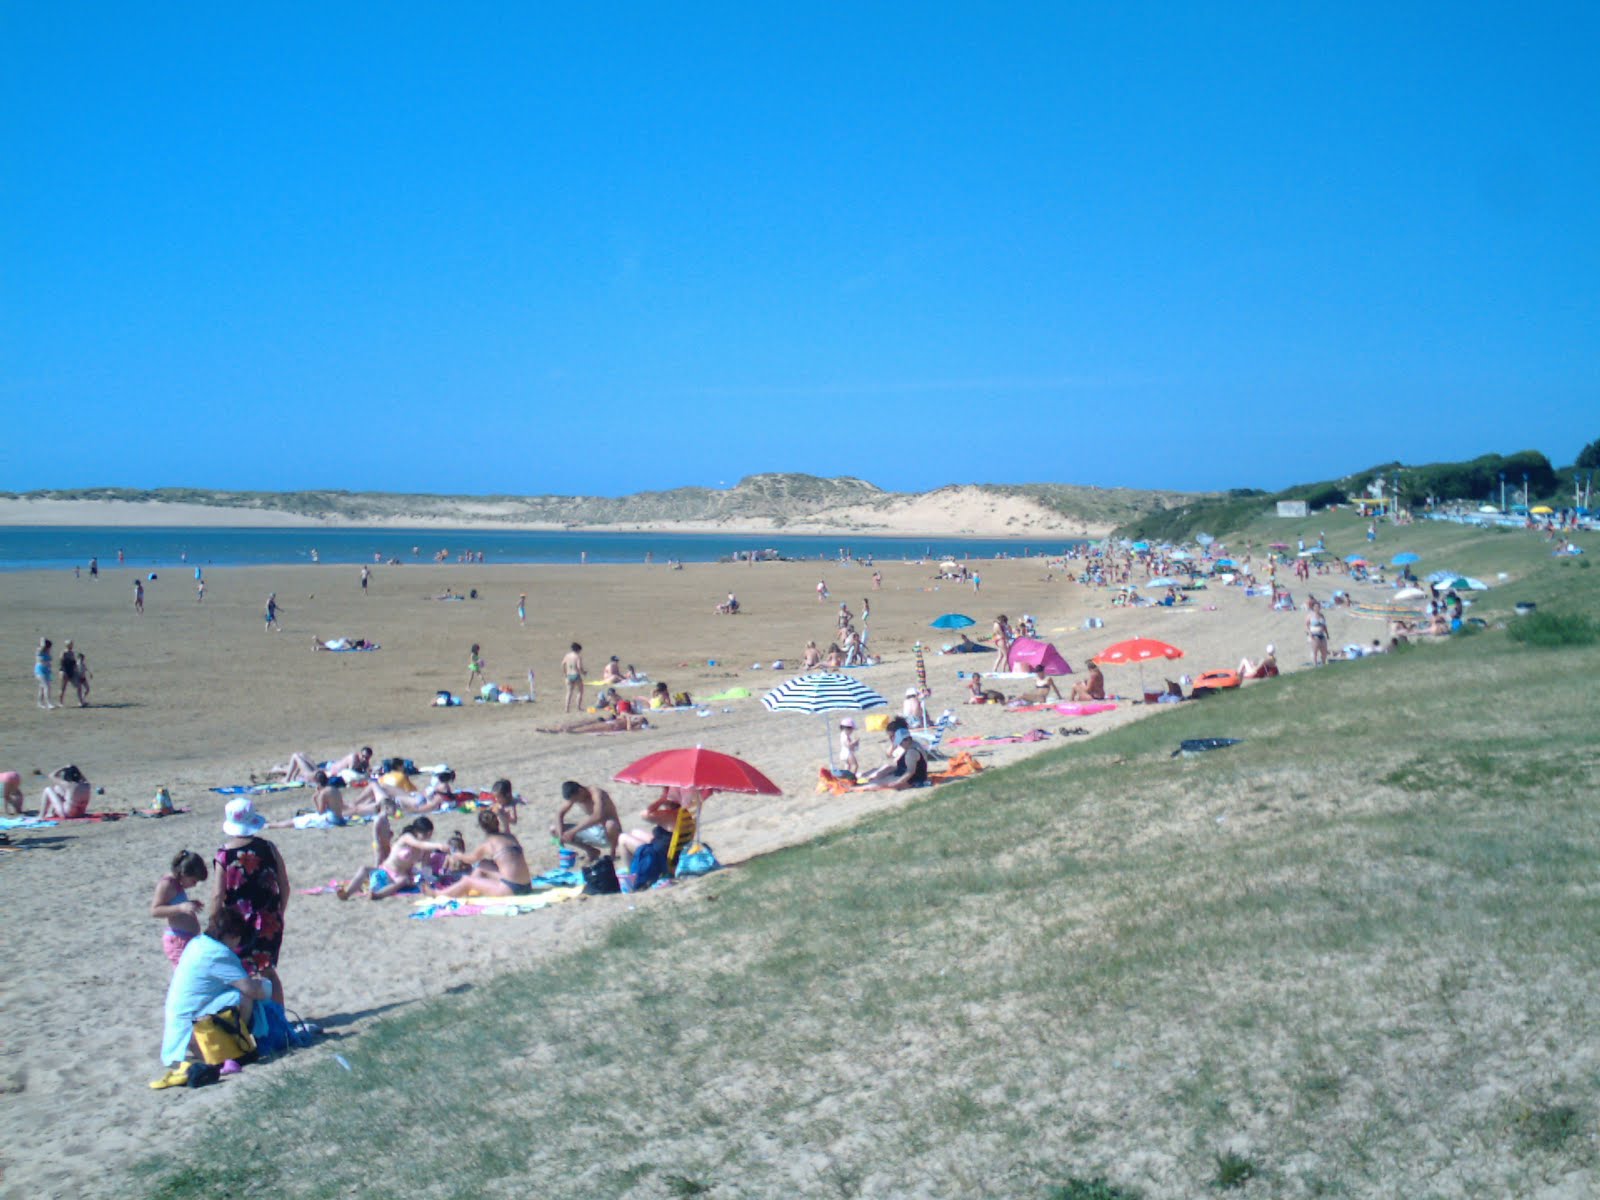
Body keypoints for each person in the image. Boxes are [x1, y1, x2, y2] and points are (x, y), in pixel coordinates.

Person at [158, 908, 274, 1072]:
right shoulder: (217, 953)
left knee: (235, 994)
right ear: (233, 937)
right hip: (192, 1027)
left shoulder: (197, 944)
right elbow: (251, 990)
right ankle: (235, 1048)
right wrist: (267, 986)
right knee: (244, 996)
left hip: (180, 1025)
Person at [212, 799, 289, 1008]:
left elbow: (218, 895)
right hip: (269, 919)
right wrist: (278, 912)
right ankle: (278, 1017)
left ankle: (255, 1019)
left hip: (238, 924)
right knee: (267, 970)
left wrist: (214, 923)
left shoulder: (224, 855)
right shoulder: (268, 848)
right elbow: (284, 885)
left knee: (241, 972)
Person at [423, 809, 533, 897]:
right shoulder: (510, 837)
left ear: (482, 828)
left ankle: (437, 894)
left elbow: (470, 859)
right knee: (483, 864)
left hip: (512, 889)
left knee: (467, 880)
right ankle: (468, 890)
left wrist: (458, 855)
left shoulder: (488, 844)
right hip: (527, 885)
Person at [338, 816, 450, 900]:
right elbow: (418, 844)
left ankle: (377, 896)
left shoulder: (427, 847)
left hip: (399, 876)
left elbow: (425, 867)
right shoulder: (407, 838)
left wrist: (429, 880)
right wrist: (438, 845)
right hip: (385, 869)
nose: (427, 837)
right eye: (425, 834)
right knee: (364, 869)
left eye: (429, 834)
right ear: (417, 831)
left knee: (403, 880)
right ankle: (347, 893)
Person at [152, 850, 209, 968]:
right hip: (177, 940)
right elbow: (155, 910)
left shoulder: (177, 884)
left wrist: (189, 904)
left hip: (187, 938)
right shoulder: (167, 884)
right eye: (194, 880)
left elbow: (174, 903)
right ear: (183, 873)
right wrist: (180, 908)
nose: (194, 885)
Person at [553, 781, 622, 864]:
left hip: (610, 834)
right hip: (595, 830)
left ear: (580, 791)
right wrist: (561, 835)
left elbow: (597, 816)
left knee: (611, 825)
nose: (576, 801)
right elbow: (559, 814)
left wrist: (573, 831)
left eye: (576, 799)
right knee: (554, 829)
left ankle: (612, 853)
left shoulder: (596, 793)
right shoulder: (575, 796)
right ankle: (592, 851)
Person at [857, 717, 929, 790]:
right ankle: (863, 779)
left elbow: (910, 771)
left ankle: (857, 786)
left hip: (911, 779)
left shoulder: (911, 750)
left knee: (878, 781)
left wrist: (898, 782)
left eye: (892, 736)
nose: (891, 739)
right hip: (906, 774)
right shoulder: (910, 744)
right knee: (881, 773)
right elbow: (890, 756)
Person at [1305, 599, 1330, 667]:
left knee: (1324, 651)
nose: (1317, 608)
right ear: (1313, 607)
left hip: (1322, 634)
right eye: (1316, 607)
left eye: (1318, 607)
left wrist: (1327, 634)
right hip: (1314, 634)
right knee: (1315, 651)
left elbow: (1324, 626)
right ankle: (1315, 665)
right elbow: (1307, 625)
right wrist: (1309, 633)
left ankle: (1323, 664)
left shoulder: (1322, 616)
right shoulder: (1310, 616)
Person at [562, 643, 585, 713]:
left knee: (569, 692)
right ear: (578, 650)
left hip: (569, 675)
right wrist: (583, 672)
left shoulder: (567, 655)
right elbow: (579, 667)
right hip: (576, 675)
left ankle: (566, 709)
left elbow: (563, 664)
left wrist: (565, 673)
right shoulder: (577, 657)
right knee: (580, 691)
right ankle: (578, 707)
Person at [57, 641, 81, 707]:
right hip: (64, 672)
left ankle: (80, 701)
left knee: (78, 686)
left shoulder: (72, 653)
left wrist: (76, 671)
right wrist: (64, 672)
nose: (72, 646)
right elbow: (61, 663)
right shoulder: (63, 653)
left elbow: (74, 663)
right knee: (63, 688)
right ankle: (60, 702)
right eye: (70, 644)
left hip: (72, 671)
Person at [34, 637, 56, 710]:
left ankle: (39, 703)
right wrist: (43, 640)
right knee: (46, 686)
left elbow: (49, 660)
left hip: (47, 670)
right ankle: (48, 703)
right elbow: (42, 645)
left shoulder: (47, 652)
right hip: (40, 670)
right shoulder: (39, 650)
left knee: (42, 687)